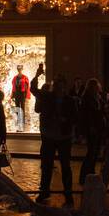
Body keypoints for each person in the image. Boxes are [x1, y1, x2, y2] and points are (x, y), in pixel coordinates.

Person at [34, 66, 75, 206]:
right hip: (49, 135)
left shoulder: (69, 100)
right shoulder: (47, 97)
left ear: (64, 87)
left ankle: (68, 193)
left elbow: (75, 116)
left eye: (61, 87)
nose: (59, 89)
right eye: (57, 87)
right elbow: (33, 89)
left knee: (65, 166)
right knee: (47, 166)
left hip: (63, 136)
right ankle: (44, 191)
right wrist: (37, 75)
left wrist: (67, 120)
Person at [77, 79, 105, 185]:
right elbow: (88, 114)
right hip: (92, 128)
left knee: (95, 153)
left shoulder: (97, 97)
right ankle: (85, 176)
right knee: (91, 153)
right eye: (96, 86)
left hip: (97, 127)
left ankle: (90, 174)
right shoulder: (87, 98)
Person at [10, 65, 31, 132]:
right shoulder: (15, 78)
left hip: (22, 94)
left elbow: (27, 87)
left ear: (22, 69)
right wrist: (12, 95)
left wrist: (26, 96)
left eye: (20, 69)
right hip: (16, 94)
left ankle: (22, 125)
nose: (19, 70)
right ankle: (19, 124)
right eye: (18, 69)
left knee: (22, 109)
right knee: (17, 109)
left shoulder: (25, 77)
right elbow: (13, 87)